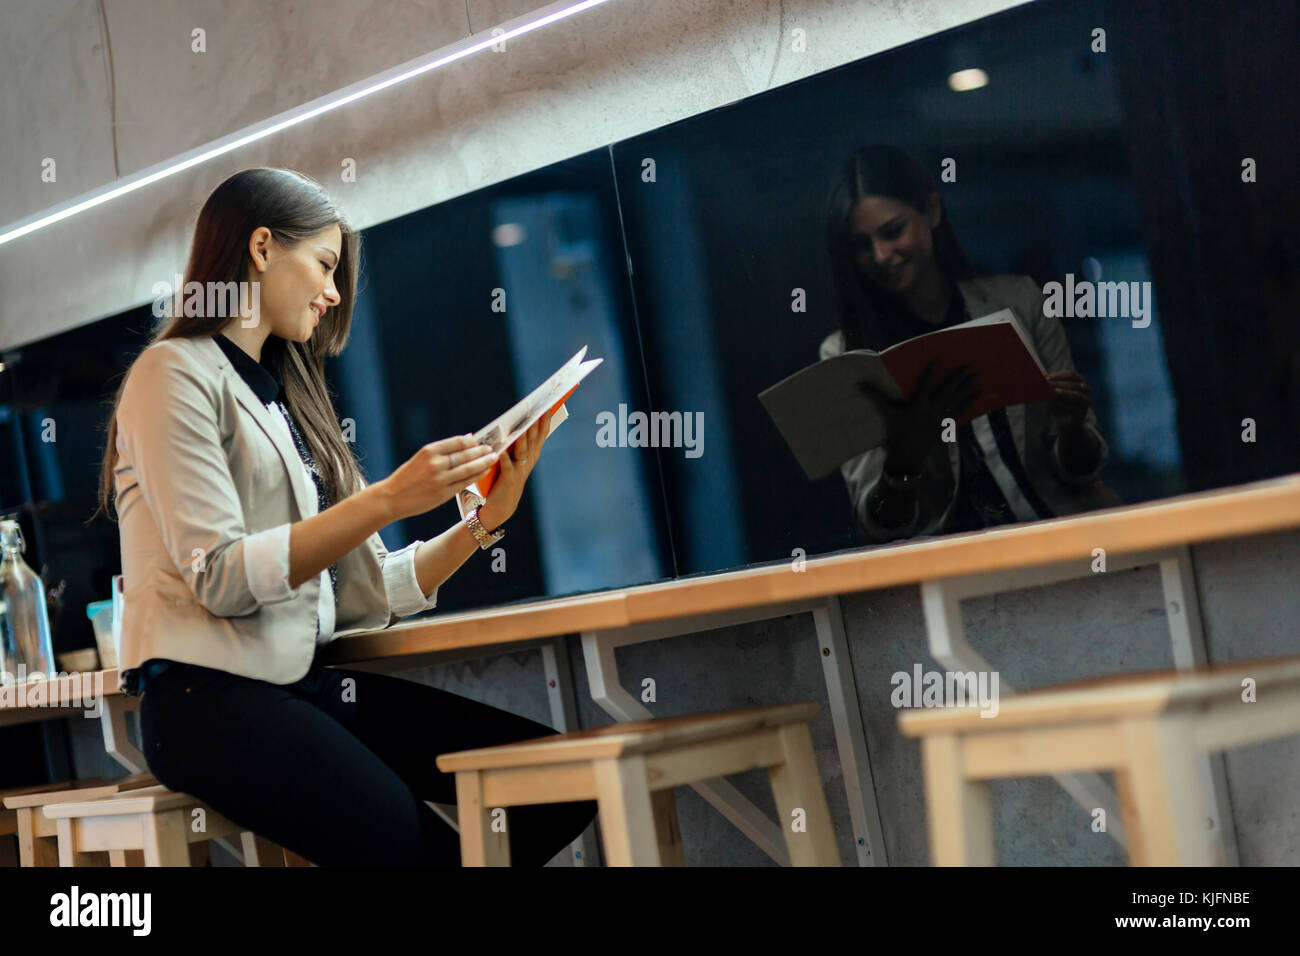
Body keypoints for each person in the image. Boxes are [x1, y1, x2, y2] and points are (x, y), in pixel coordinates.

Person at [94, 167, 597, 866]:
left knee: (557, 781)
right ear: (263, 248)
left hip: (303, 685)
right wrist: (387, 498)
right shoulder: (170, 374)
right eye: (325, 265)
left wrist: (482, 524)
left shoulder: (287, 401)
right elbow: (222, 577)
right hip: (203, 700)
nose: (333, 293)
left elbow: (362, 591)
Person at [821, 145, 1119, 543]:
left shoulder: (1020, 302)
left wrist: (1072, 428)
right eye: (860, 246)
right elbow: (877, 524)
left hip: (1065, 541)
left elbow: (1082, 470)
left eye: (893, 232)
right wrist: (902, 463)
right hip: (952, 575)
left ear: (932, 212)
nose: (880, 255)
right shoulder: (846, 355)